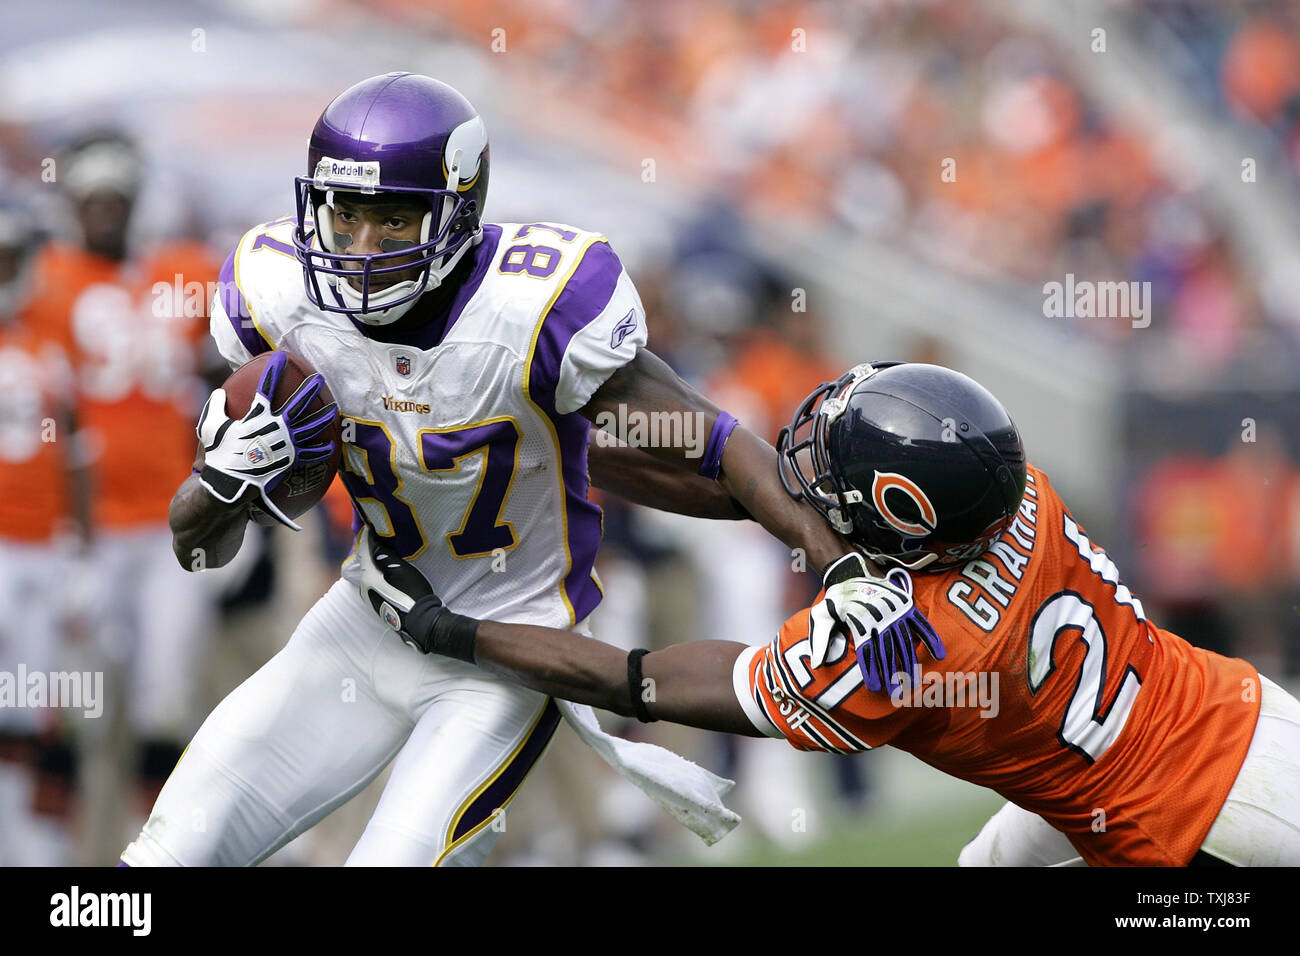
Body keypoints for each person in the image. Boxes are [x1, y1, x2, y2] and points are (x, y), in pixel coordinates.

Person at [121, 73, 863, 867]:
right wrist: (226, 480)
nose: (362, 249)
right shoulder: (278, 294)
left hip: (507, 656)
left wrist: (837, 561)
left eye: (394, 219)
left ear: (457, 212)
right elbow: (198, 547)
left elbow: (713, 443)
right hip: (365, 622)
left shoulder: (533, 302)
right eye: (346, 217)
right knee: (164, 857)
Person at [361, 360, 1300, 866]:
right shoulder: (1025, 498)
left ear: (906, 515)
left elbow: (640, 680)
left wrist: (454, 632)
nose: (811, 470)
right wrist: (567, 454)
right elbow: (797, 515)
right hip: (1244, 720)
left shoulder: (915, 653)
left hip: (1192, 829)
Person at [37, 131, 221, 836]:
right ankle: (57, 855)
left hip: (171, 525)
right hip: (78, 535)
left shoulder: (182, 273)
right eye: (94, 199)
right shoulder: (48, 278)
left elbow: (226, 378)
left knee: (165, 699)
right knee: (75, 708)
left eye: (118, 198)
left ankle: (159, 850)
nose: (107, 212)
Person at [0, 197, 89, 865]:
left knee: (38, 695)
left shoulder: (50, 338)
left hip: (44, 546)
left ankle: (35, 838)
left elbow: (78, 451)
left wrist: (82, 545)